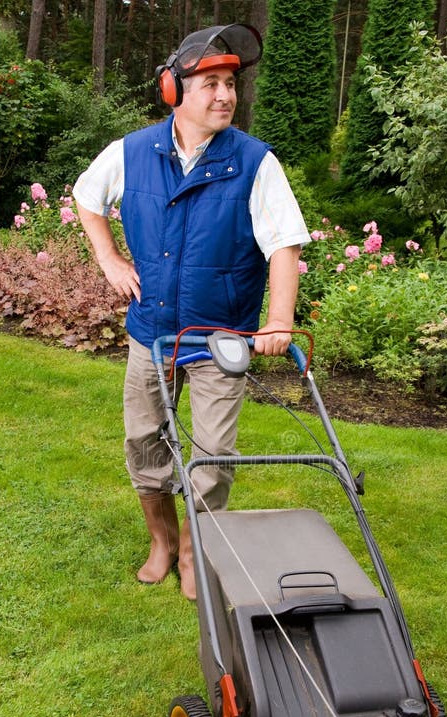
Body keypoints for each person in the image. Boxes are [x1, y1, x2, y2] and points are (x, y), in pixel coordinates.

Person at [73, 23, 310, 600]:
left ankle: (194, 554)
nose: (225, 95)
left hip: (220, 337)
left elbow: (285, 245)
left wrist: (277, 321)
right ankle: (162, 540)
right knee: (144, 443)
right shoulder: (131, 152)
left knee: (213, 456)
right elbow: (86, 195)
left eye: (230, 83)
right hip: (150, 332)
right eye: (210, 83)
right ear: (174, 90)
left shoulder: (256, 163)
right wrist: (108, 259)